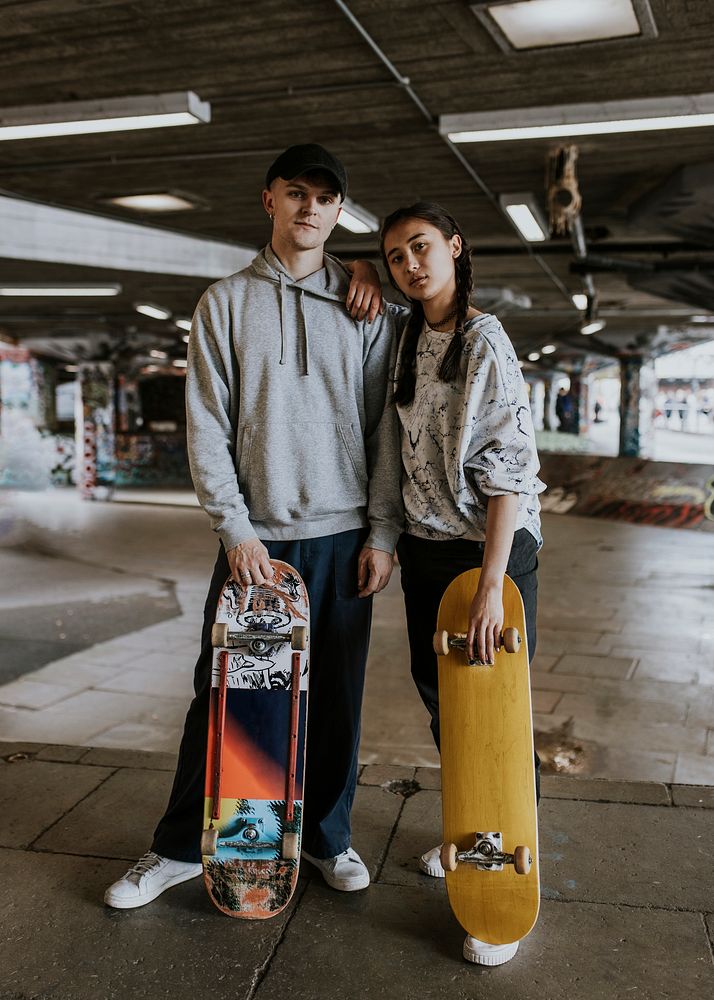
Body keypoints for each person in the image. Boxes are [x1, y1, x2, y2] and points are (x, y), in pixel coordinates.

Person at [104, 144, 402, 909]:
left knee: (335, 693)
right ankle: (179, 847)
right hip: (255, 541)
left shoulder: (366, 307)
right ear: (268, 200)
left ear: (341, 213)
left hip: (341, 538)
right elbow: (205, 425)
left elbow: (384, 432)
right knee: (226, 694)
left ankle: (329, 837)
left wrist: (381, 534)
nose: (311, 208)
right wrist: (235, 531)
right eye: (296, 193)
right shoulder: (225, 303)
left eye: (326, 198)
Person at [380, 202, 545, 966]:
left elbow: (511, 470)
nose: (411, 264)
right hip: (426, 548)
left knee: (493, 710)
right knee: (444, 702)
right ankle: (466, 832)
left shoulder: (486, 339)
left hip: (490, 549)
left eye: (421, 247)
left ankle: (501, 877)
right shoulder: (408, 336)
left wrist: (491, 584)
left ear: (453, 247)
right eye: (393, 257)